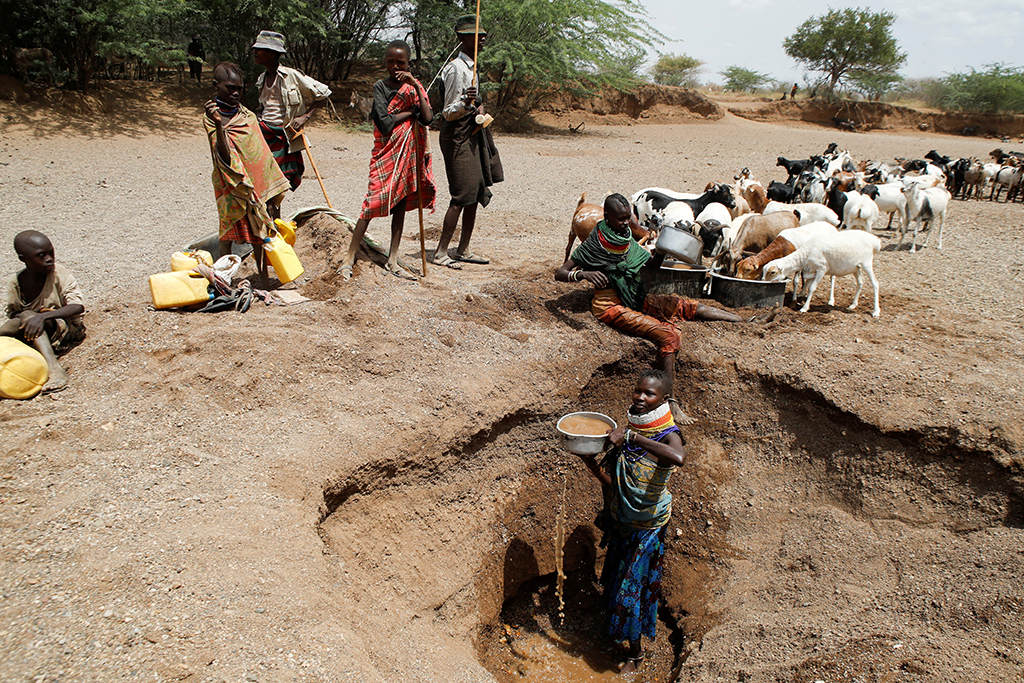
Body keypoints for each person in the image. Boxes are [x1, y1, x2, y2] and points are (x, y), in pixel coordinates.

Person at [555, 193, 751, 390]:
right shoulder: (593, 244)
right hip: (609, 306)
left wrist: (662, 251)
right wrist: (582, 274)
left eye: (628, 217)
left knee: (684, 306)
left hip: (634, 297)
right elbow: (561, 273)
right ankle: (669, 398)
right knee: (668, 336)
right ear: (607, 216)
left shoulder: (626, 240)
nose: (626, 223)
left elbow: (652, 265)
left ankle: (745, 321)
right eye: (621, 219)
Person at [576, 369, 685, 673]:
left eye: (649, 394)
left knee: (630, 594)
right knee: (614, 581)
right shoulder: (634, 429)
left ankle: (635, 655)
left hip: (648, 527)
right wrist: (594, 467)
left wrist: (631, 437)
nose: (640, 397)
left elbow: (678, 458)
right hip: (624, 521)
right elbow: (623, 486)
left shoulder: (666, 434)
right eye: (638, 391)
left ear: (664, 399)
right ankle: (617, 633)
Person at [340, 40, 435, 281]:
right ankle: (349, 256)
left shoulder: (414, 88)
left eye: (400, 62)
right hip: (387, 153)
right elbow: (384, 122)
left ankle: (392, 259)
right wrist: (409, 113)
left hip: (408, 153)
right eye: (391, 62)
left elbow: (427, 118)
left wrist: (414, 85)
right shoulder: (381, 87)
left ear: (408, 64)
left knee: (401, 205)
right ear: (385, 62)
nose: (395, 66)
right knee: (372, 201)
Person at [204, 61, 291, 288]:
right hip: (228, 183)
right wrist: (218, 124)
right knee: (228, 233)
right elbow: (223, 154)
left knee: (258, 234)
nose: (235, 93)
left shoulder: (249, 117)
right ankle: (223, 280)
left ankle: (263, 279)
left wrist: (269, 191)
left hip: (254, 185)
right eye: (229, 88)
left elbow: (262, 157)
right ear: (216, 85)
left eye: (239, 89)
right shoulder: (210, 118)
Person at [430, 14, 504, 270]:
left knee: (475, 190)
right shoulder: (455, 69)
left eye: (483, 34)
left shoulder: (472, 68)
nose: (483, 38)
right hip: (456, 137)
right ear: (463, 38)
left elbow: (474, 102)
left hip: (472, 135)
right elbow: (448, 112)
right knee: (461, 194)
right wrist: (465, 102)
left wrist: (478, 105)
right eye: (476, 34)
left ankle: (463, 249)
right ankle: (440, 253)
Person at [251, 30, 332, 205]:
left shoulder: (292, 76)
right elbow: (262, 105)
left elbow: (323, 94)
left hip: (284, 137)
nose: (255, 51)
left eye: (260, 49)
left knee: (279, 186)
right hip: (265, 135)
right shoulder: (261, 79)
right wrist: (258, 115)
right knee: (264, 183)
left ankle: (276, 221)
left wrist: (305, 117)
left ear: (272, 54)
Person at [3, 231, 86, 393]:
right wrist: (30, 318)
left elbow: (77, 307)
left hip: (64, 327)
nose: (49, 259)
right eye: (41, 255)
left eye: (51, 253)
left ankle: (55, 370)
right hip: (32, 331)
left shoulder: (58, 273)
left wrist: (41, 316)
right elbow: (13, 313)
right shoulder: (16, 282)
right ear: (23, 259)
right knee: (19, 320)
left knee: (28, 315)